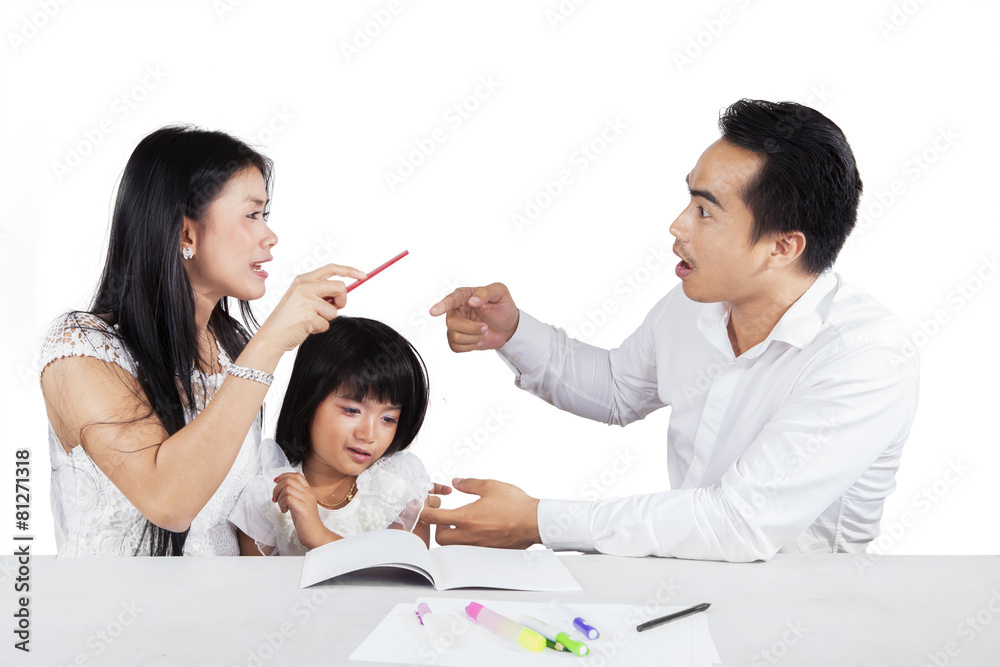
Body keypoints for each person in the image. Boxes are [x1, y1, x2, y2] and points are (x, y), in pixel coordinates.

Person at [421, 99, 920, 562]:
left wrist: (538, 522)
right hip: (686, 580)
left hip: (805, 613)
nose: (678, 226)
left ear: (782, 248)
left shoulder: (865, 355)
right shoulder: (696, 303)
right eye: (689, 201)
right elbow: (618, 389)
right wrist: (511, 332)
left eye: (705, 211)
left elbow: (739, 523)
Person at [39, 125, 366, 556]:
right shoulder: (79, 350)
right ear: (185, 235)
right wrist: (269, 344)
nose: (270, 236)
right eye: (252, 215)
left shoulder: (231, 347)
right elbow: (169, 503)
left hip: (226, 615)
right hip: (118, 618)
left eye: (265, 215)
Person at [229, 317, 433, 556]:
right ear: (308, 402)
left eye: (388, 419)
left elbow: (405, 574)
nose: (368, 435)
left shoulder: (400, 481)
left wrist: (319, 536)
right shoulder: (267, 496)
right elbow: (254, 589)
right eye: (351, 411)